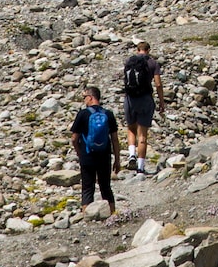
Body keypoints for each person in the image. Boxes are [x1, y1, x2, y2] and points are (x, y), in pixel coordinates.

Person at [68, 85, 118, 216]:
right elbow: (115, 139)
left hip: (87, 155)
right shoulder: (108, 114)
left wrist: (79, 152)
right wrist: (117, 160)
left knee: (87, 188)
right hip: (104, 155)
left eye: (84, 97)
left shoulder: (83, 114)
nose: (84, 100)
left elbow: (74, 138)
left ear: (90, 97)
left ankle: (87, 216)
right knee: (105, 187)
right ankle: (113, 214)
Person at [122, 39, 166, 174]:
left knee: (131, 129)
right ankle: (140, 168)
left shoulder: (130, 61)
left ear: (137, 50)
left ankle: (131, 155)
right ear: (148, 50)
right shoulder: (153, 63)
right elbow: (158, 84)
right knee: (143, 135)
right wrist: (161, 101)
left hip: (130, 99)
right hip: (146, 99)